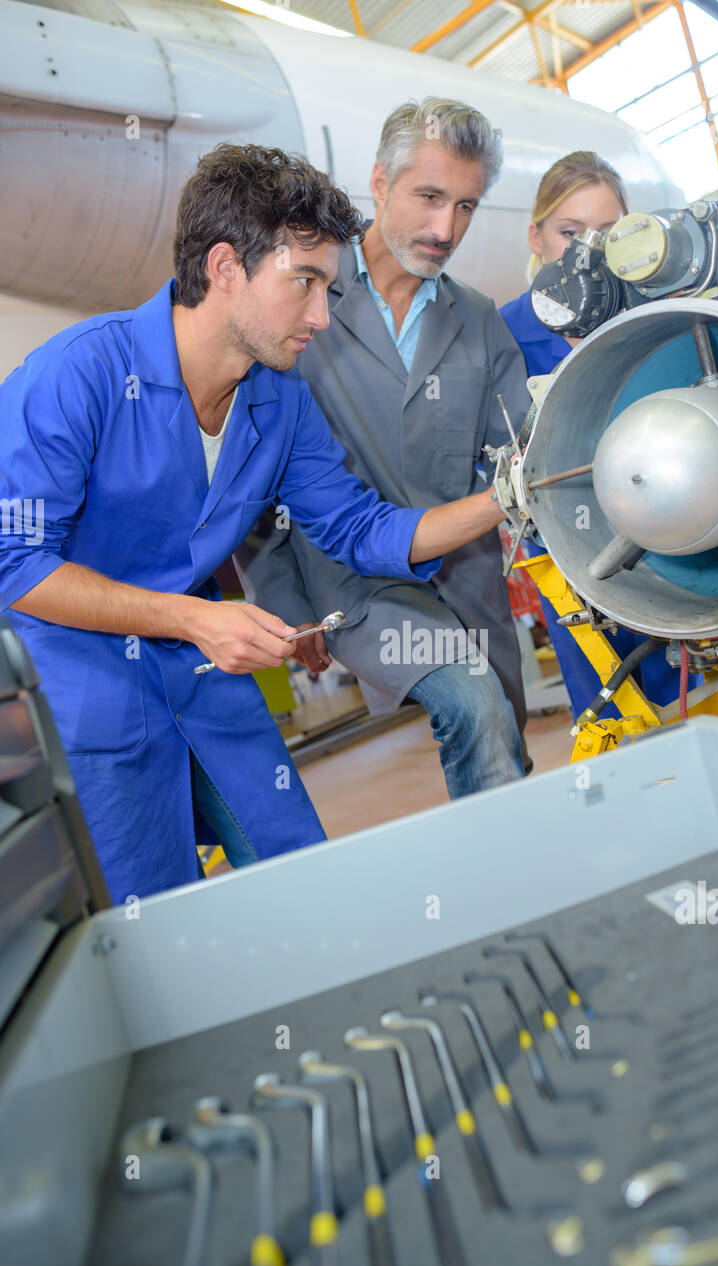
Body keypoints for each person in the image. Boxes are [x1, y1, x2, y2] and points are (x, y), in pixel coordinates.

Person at [0, 145, 510, 906]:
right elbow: (14, 565)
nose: (319, 315)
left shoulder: (278, 397)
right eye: (303, 282)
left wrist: (509, 495)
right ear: (226, 266)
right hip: (81, 684)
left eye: (328, 288)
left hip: (205, 678)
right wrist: (194, 617)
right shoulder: (77, 374)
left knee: (302, 883)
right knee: (150, 924)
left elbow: (357, 529)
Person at [248, 98, 532, 801]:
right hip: (354, 584)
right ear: (378, 183)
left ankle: (513, 882)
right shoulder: (306, 300)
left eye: (466, 206)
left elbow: (521, 454)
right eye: (428, 197)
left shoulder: (478, 319)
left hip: (466, 578)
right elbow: (254, 471)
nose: (445, 229)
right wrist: (282, 603)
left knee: (504, 749)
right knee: (474, 706)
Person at [500, 151, 697, 718]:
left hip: (666, 522)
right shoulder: (502, 334)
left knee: (692, 685)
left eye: (608, 232)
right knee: (608, 700)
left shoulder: (655, 313)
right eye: (569, 231)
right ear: (536, 237)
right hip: (567, 544)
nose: (588, 247)